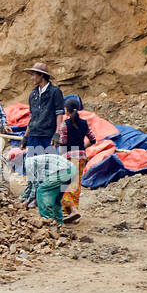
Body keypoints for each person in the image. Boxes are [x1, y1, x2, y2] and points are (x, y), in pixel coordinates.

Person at [60, 95, 95, 224]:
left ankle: (72, 211)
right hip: (81, 158)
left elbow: (63, 144)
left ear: (67, 110)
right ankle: (73, 214)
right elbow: (93, 139)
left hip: (69, 158)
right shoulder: (84, 123)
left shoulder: (65, 124)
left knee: (65, 185)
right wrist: (82, 149)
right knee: (76, 185)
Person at [20, 62, 65, 157]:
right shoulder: (33, 94)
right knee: (32, 165)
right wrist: (25, 136)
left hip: (47, 136)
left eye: (33, 75)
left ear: (41, 75)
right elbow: (32, 117)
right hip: (33, 135)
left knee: (46, 165)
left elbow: (59, 114)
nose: (31, 78)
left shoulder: (55, 92)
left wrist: (57, 133)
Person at [23, 151, 75, 223]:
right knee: (56, 198)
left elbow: (35, 185)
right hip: (72, 170)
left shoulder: (29, 163)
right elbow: (30, 184)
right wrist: (23, 198)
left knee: (41, 191)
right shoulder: (34, 160)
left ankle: (48, 220)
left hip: (63, 171)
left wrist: (27, 201)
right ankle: (58, 222)